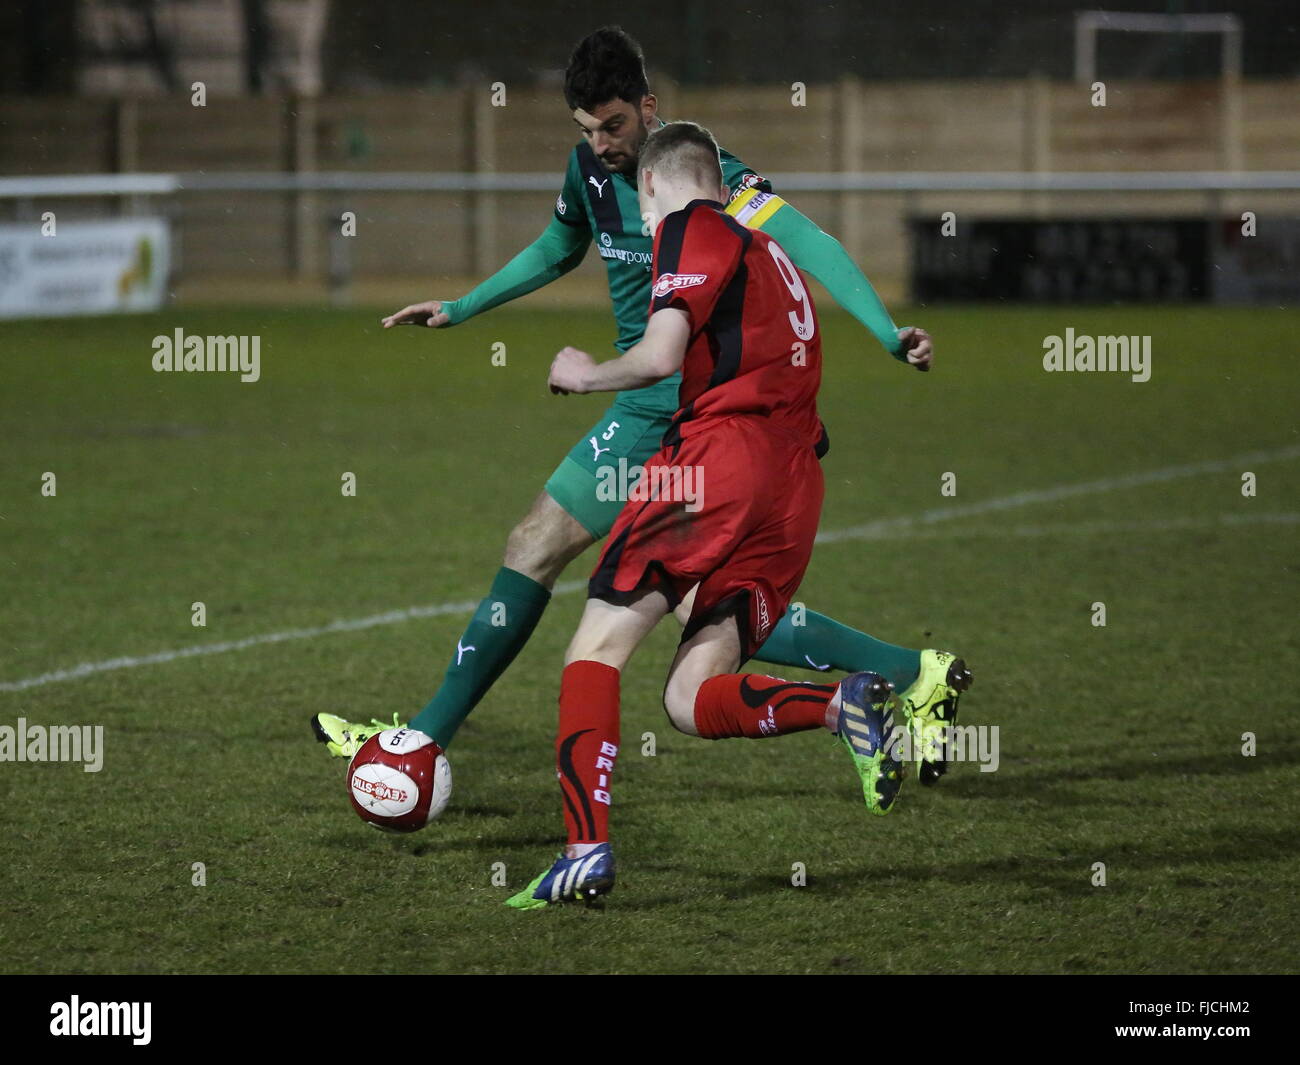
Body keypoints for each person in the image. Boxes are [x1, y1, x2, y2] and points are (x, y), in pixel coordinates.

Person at [313, 26, 970, 791]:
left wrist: (889, 334)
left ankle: (909, 675)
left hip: (698, 420)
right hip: (639, 414)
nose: (600, 144)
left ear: (648, 107)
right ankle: (422, 742)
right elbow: (557, 248)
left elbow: (811, 242)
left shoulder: (711, 182)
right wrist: (465, 306)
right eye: (587, 130)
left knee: (674, 600)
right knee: (540, 546)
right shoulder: (589, 173)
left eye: (614, 125)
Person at [509, 121, 916, 908]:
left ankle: (584, 849)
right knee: (691, 695)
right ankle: (844, 703)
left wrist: (587, 374)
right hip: (794, 487)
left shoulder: (690, 227)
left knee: (596, 644)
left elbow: (661, 354)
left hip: (718, 462)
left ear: (653, 185)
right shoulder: (776, 261)